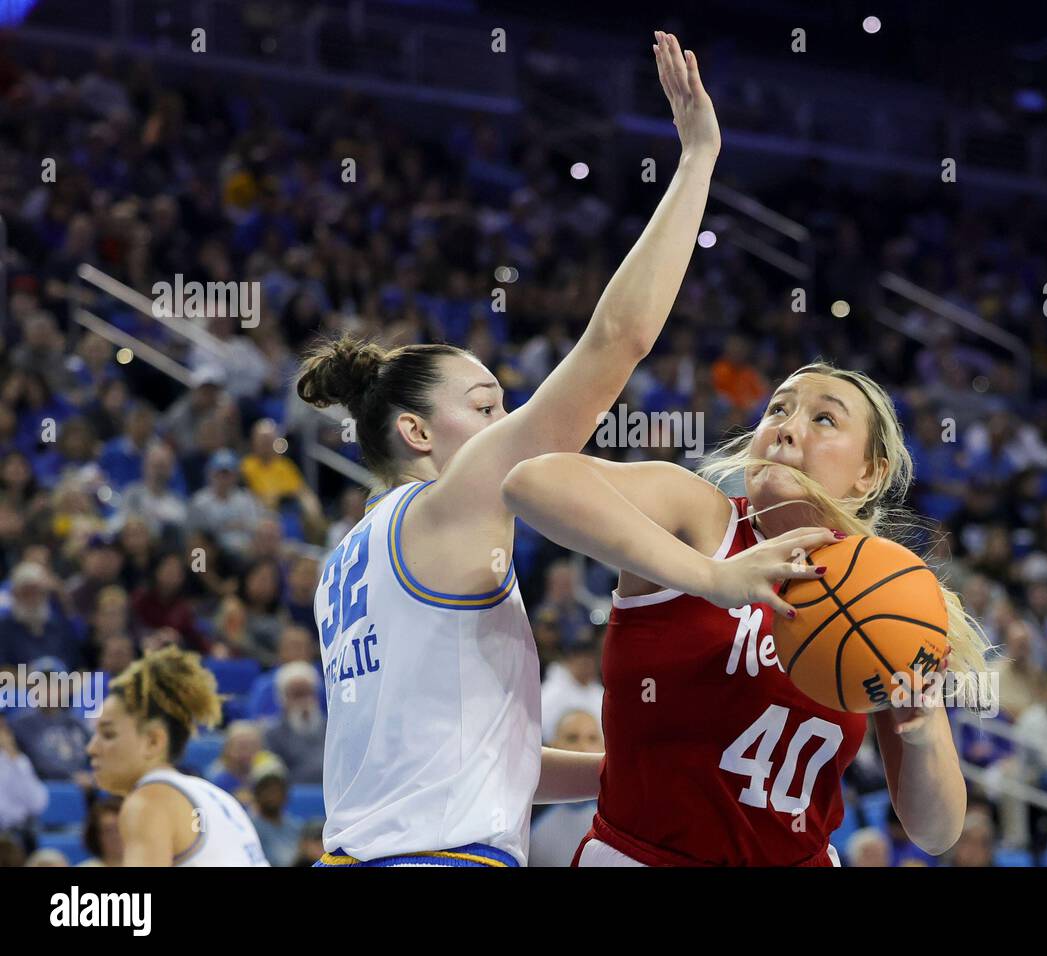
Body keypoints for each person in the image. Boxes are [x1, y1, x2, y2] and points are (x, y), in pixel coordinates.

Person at [297, 31, 721, 868]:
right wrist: (698, 157)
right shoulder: (451, 505)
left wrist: (633, 772)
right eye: (488, 406)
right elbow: (619, 341)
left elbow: (483, 767)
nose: (510, 421)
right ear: (418, 433)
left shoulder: (345, 561)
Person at [504, 361, 987, 865]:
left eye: (824, 419)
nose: (786, 428)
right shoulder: (701, 517)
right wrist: (710, 576)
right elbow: (531, 482)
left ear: (870, 472)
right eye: (778, 409)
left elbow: (937, 833)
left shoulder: (882, 598)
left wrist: (926, 728)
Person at [85, 648, 268, 865]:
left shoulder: (148, 801)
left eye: (108, 734)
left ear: (153, 741)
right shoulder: (217, 797)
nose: (92, 748)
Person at [528, 710, 604, 867]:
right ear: (554, 747)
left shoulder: (619, 814)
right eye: (572, 738)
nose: (583, 747)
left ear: (604, 746)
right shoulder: (529, 811)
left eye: (592, 739)